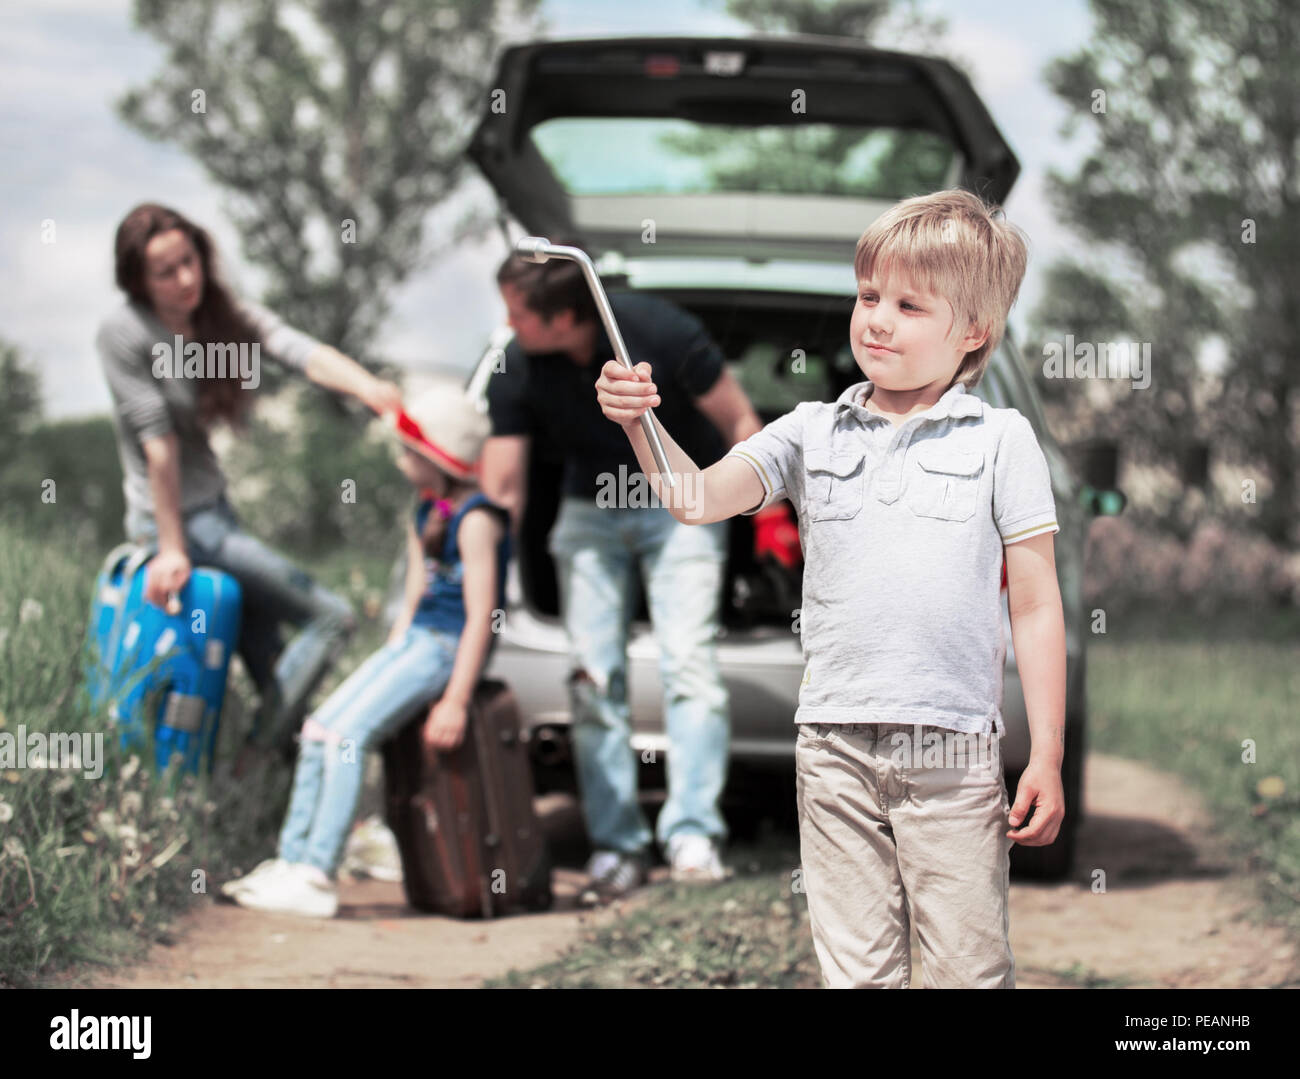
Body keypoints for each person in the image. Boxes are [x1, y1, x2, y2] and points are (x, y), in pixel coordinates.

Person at [594, 188, 1066, 988]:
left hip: (952, 747)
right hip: (831, 743)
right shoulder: (809, 430)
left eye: (910, 305)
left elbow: (1035, 600)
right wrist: (641, 424)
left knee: (968, 968)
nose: (877, 319)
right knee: (857, 971)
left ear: (975, 330)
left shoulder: (1001, 440)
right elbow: (694, 497)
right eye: (869, 295)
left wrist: (1046, 752)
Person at [480, 250, 763, 901]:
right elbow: (504, 481)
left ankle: (694, 836)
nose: (509, 323)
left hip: (683, 502)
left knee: (689, 663)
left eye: (519, 312)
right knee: (591, 672)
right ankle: (616, 844)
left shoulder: (661, 331)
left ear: (565, 316)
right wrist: (478, 550)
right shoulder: (518, 364)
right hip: (590, 511)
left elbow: (740, 423)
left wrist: (762, 512)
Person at [96, 203, 402, 761]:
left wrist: (368, 388)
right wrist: (169, 548)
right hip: (174, 524)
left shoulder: (220, 315)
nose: (186, 279)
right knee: (332, 617)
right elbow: (157, 446)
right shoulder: (124, 333)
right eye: (166, 271)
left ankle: (282, 787)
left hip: (216, 514)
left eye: (190, 261)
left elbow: (297, 349)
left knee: (268, 656)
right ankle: (255, 758)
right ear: (137, 279)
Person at [221, 379, 511, 917]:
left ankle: (317, 875)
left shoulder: (477, 521)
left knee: (348, 737)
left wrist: (454, 700)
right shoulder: (426, 510)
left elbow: (481, 617)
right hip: (416, 644)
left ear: (437, 455)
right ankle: (292, 859)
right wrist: (393, 650)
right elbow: (414, 594)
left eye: (409, 451)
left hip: (445, 649)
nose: (401, 461)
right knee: (318, 730)